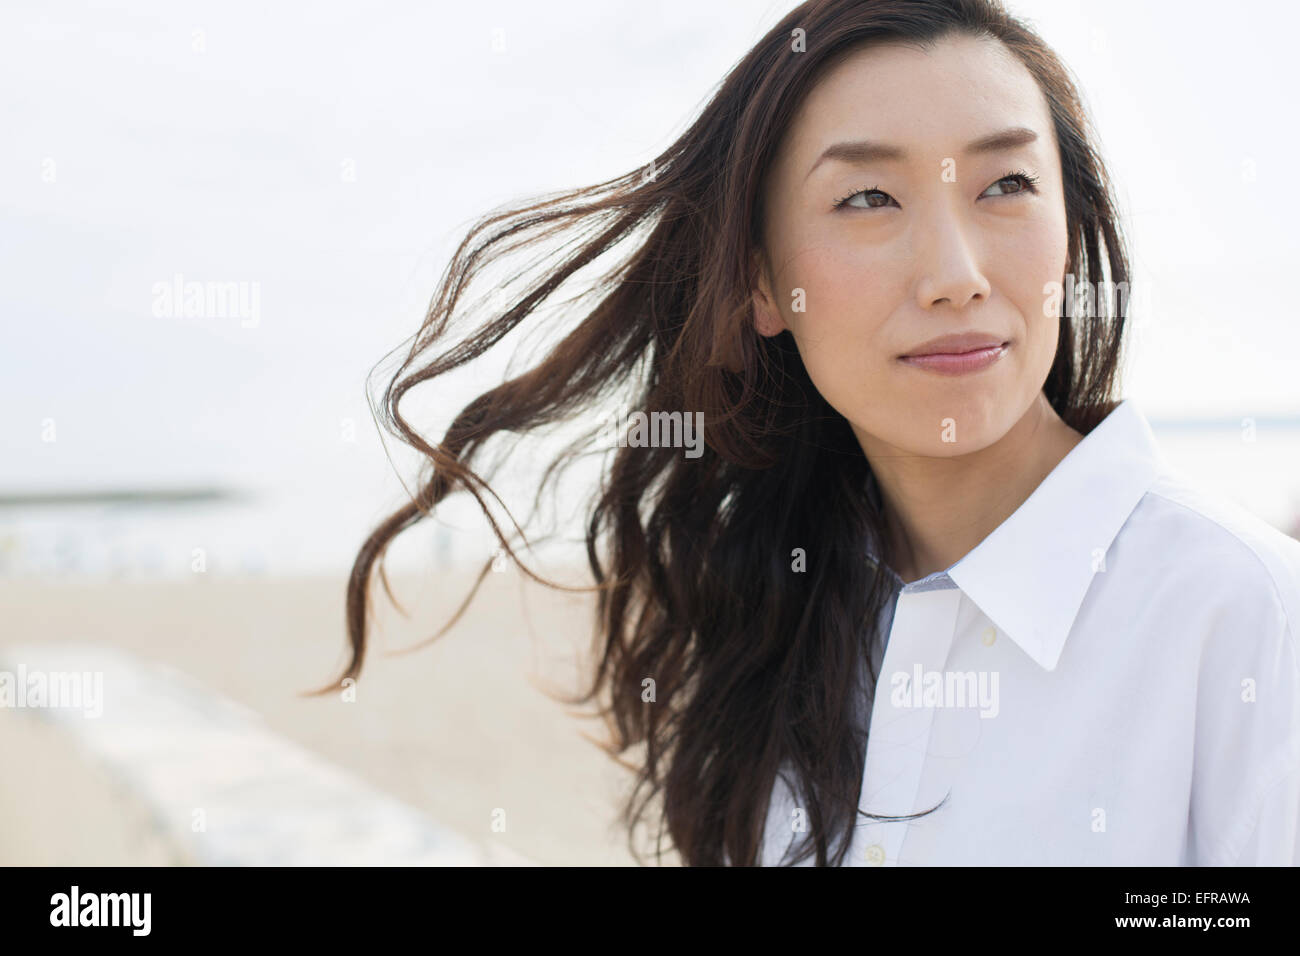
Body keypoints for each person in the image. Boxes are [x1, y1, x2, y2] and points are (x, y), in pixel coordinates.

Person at [321, 0, 1300, 866]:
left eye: (1004, 184)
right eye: (868, 197)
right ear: (759, 283)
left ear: (1072, 230)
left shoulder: (1246, 619)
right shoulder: (782, 606)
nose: (955, 272)